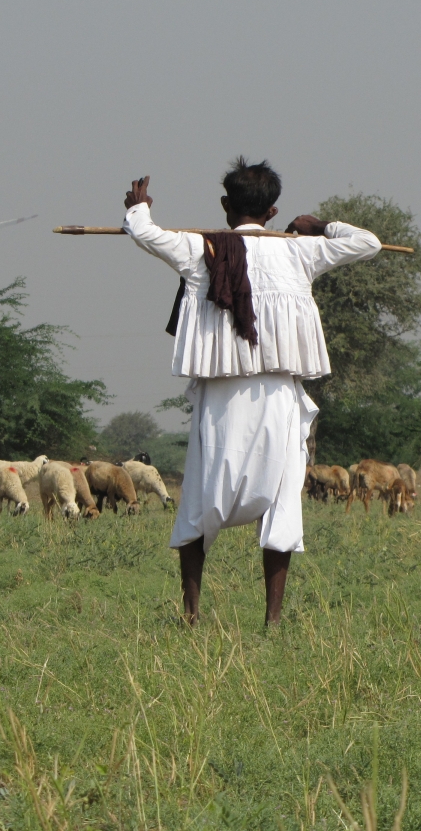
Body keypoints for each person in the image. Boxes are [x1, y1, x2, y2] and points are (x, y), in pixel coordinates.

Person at [121, 158, 381, 626]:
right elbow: (369, 243)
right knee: (281, 504)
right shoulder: (301, 250)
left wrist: (138, 207)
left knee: (200, 501)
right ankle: (273, 621)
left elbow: (145, 234)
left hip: (220, 401)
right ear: (274, 210)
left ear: (225, 205)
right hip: (279, 397)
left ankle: (192, 614)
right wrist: (321, 225)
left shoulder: (204, 249)